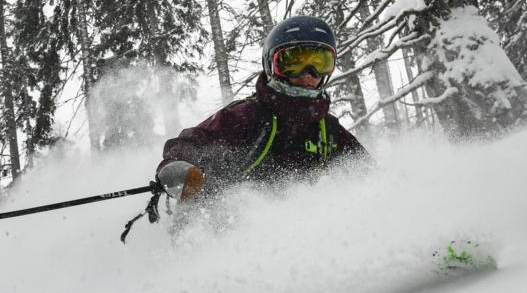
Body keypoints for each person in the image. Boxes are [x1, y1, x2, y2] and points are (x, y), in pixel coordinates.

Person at [156, 15, 369, 201]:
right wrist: (178, 167)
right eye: (293, 62)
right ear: (271, 66)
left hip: (301, 233)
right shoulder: (247, 116)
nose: (308, 74)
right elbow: (192, 142)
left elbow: (370, 177)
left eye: (320, 63)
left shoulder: (328, 131)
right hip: (227, 226)